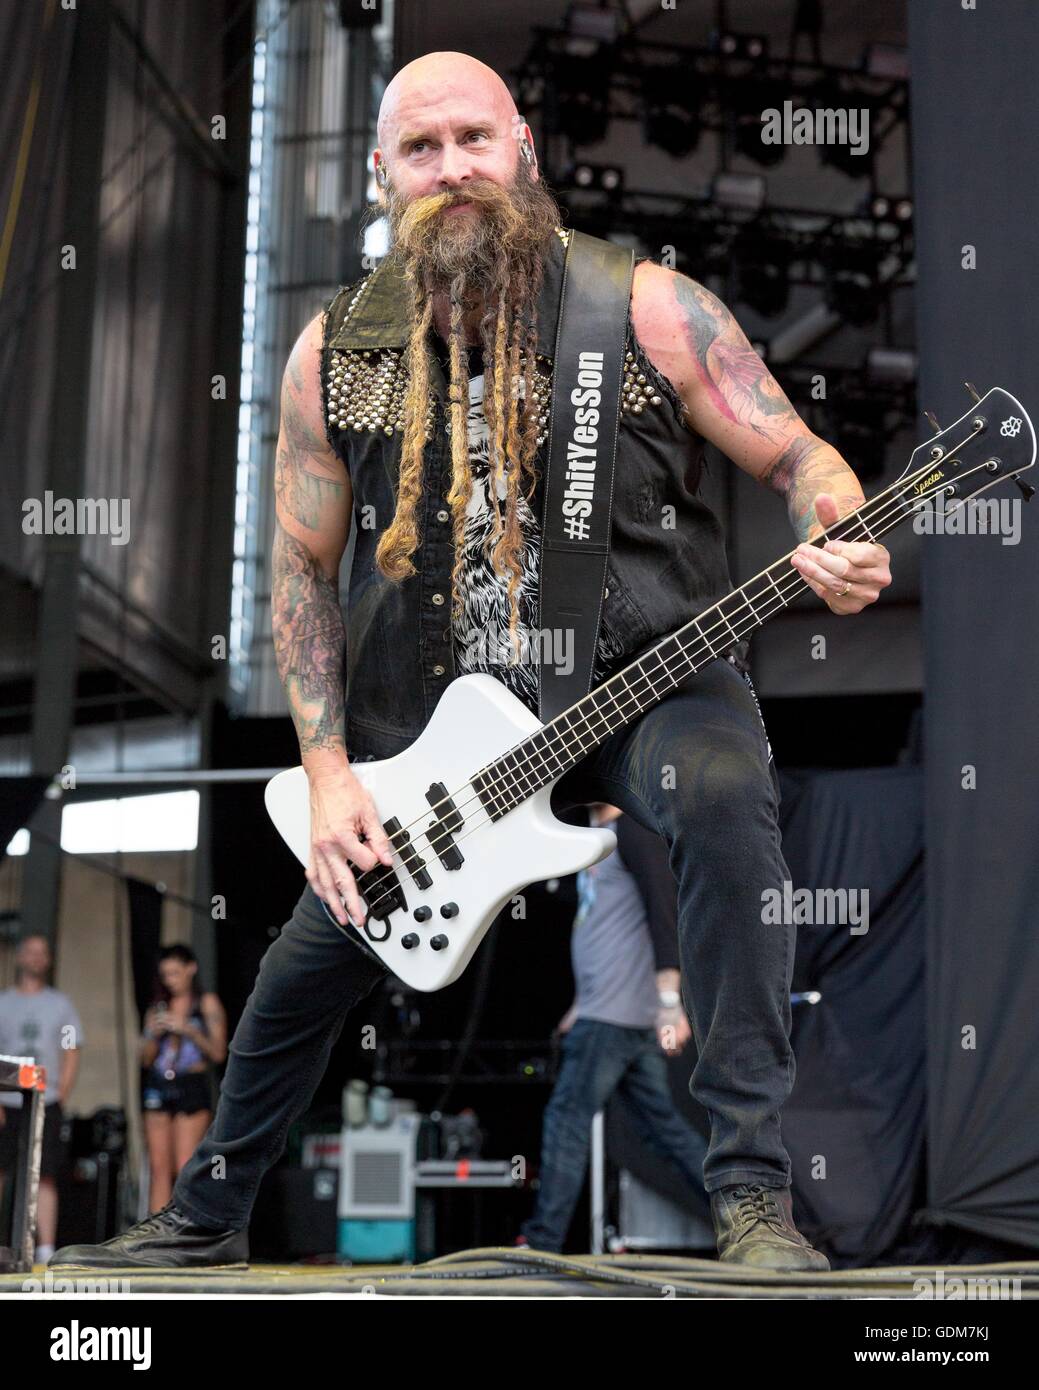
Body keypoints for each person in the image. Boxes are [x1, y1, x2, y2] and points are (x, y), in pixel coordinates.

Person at [51, 50, 891, 1272]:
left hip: (645, 673)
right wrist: (330, 770)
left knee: (720, 799)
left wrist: (839, 524)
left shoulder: (642, 306)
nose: (452, 170)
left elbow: (800, 456)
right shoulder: (336, 350)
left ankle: (755, 1197)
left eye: (474, 141)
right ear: (383, 174)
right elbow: (300, 569)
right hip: (441, 731)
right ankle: (204, 1217)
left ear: (524, 155)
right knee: (311, 951)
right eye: (422, 149)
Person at [520, 804, 711, 1253]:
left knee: (566, 1120)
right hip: (609, 1009)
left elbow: (665, 915)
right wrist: (579, 1003)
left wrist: (670, 1003)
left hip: (615, 1014)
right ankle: (747, 1215)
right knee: (664, 1131)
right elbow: (603, 928)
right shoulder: (595, 837)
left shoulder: (634, 831)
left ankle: (542, 1242)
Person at [0, 935, 84, 1264]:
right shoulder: (4, 1002)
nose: (35, 959)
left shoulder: (59, 1005)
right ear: (19, 957)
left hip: (44, 1101)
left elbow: (72, 1047)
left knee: (45, 1172)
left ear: (48, 960)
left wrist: (61, 1092)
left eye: (42, 953)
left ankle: (46, 1247)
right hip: (7, 1102)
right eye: (30, 952)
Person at [140, 945, 227, 1214]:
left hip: (191, 1084)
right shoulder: (157, 1007)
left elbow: (218, 1052)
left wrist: (187, 1028)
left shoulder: (206, 1003)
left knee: (184, 1164)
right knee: (158, 1167)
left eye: (176, 973)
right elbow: (144, 1059)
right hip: (159, 1083)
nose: (170, 980)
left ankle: (183, 1228)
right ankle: (154, 1231)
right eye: (165, 975)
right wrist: (153, 1034)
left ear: (191, 969)